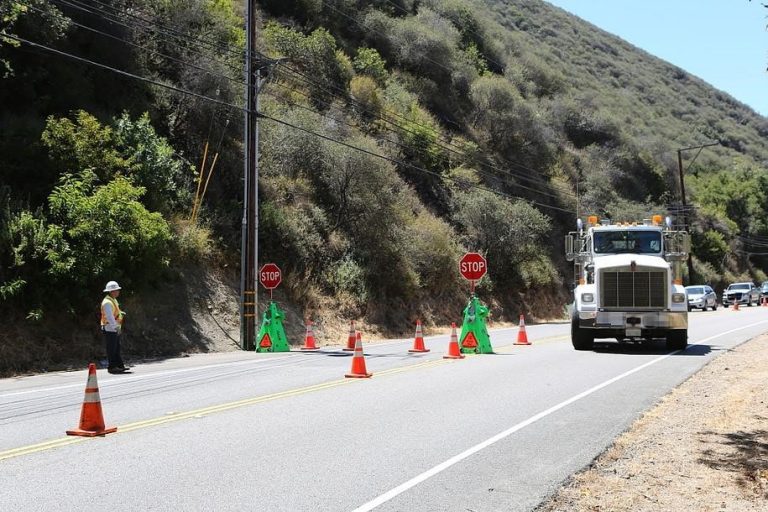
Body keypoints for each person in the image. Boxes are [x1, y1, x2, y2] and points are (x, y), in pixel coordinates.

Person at [101, 281, 129, 374]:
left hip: (113, 327)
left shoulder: (113, 300)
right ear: (112, 291)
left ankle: (119, 365)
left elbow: (114, 312)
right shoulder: (107, 302)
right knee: (112, 348)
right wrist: (116, 327)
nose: (118, 291)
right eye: (116, 290)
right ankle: (112, 367)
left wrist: (120, 313)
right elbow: (109, 317)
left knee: (116, 348)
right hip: (110, 327)